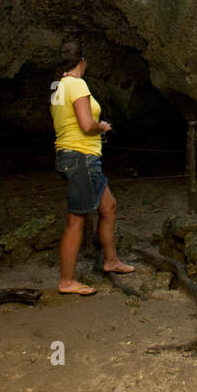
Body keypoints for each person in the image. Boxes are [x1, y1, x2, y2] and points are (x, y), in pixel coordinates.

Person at [50, 39, 134, 295]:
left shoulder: (58, 87)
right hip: (81, 157)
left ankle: (110, 260)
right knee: (76, 220)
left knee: (108, 206)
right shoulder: (77, 84)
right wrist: (102, 127)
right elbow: (87, 125)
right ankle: (67, 281)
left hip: (79, 157)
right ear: (82, 61)